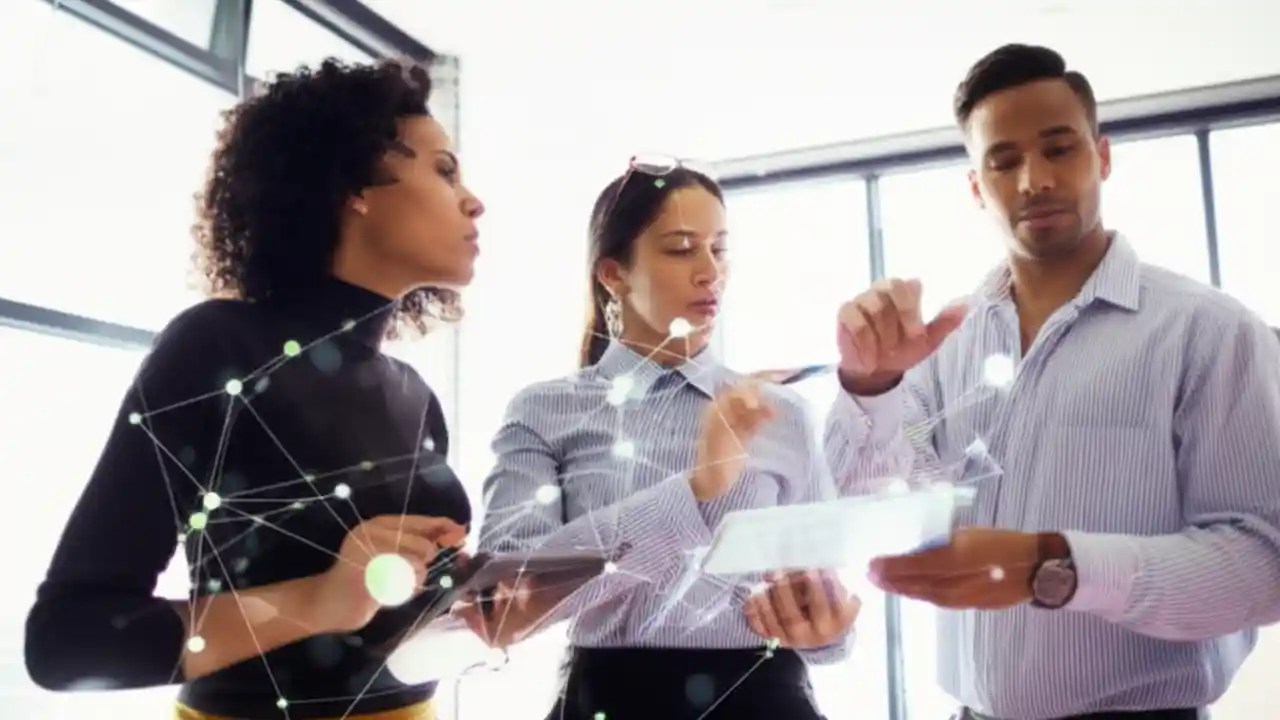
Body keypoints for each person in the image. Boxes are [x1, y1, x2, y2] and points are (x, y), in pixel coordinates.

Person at [826, 43, 1280, 720]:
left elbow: (1264, 563)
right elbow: (872, 511)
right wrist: (872, 387)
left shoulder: (1211, 333)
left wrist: (1053, 565)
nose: (1032, 180)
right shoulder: (938, 349)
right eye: (1003, 161)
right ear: (977, 187)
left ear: (1102, 157)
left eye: (1058, 149)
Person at [24, 58, 485, 720]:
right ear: (356, 182)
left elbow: (383, 629)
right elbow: (68, 644)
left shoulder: (414, 394)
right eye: (444, 171)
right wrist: (315, 600)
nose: (474, 200)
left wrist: (481, 608)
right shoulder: (215, 347)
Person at [465, 159, 861, 720]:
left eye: (718, 249)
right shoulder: (545, 409)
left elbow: (822, 617)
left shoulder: (785, 413)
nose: (709, 272)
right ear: (613, 274)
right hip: (609, 701)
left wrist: (827, 628)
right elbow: (501, 607)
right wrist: (696, 488)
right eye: (680, 249)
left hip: (767, 701)